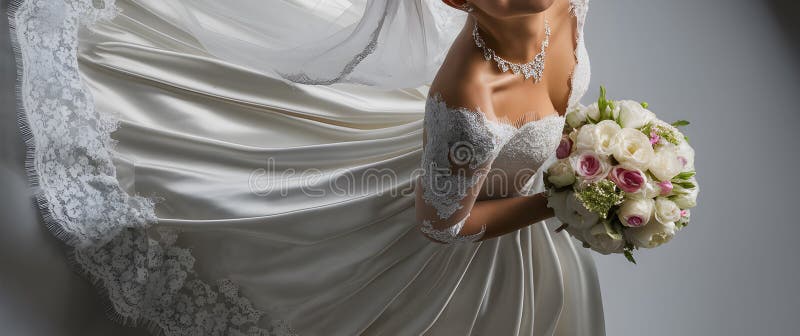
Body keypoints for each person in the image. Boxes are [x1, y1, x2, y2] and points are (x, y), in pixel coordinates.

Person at [9, 0, 603, 334]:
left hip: (512, 197)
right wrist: (560, 199)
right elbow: (442, 225)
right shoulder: (469, 102)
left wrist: (600, 148)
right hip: (463, 224)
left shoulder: (565, 5)